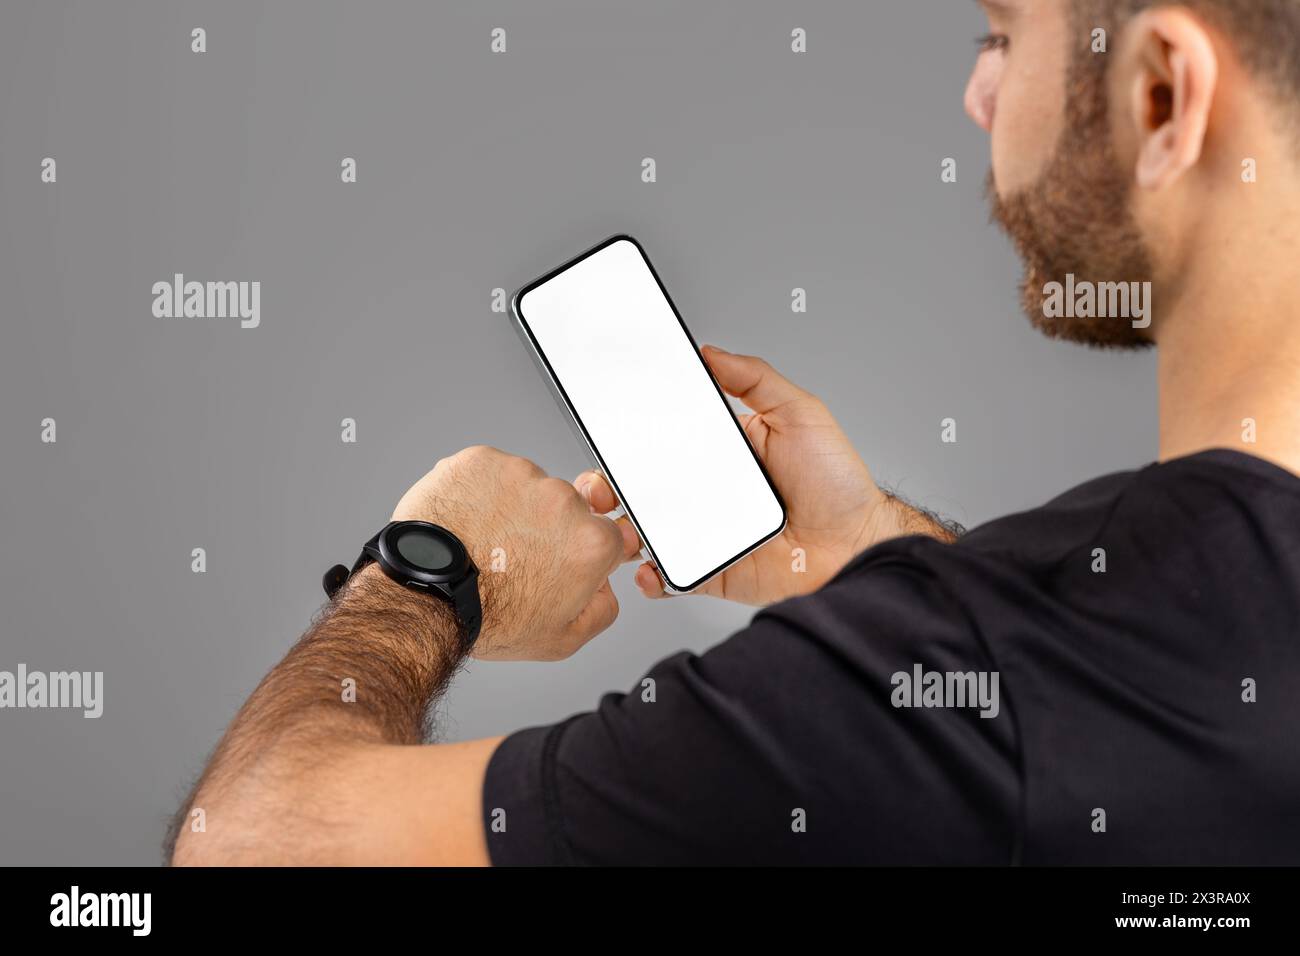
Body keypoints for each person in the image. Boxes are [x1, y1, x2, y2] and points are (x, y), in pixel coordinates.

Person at [168, 0, 1300, 865]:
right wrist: (864, 551)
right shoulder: (1108, 645)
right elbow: (1083, 708)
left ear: (1161, 95)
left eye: (999, 33)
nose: (976, 92)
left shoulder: (936, 675)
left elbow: (250, 842)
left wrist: (430, 570)